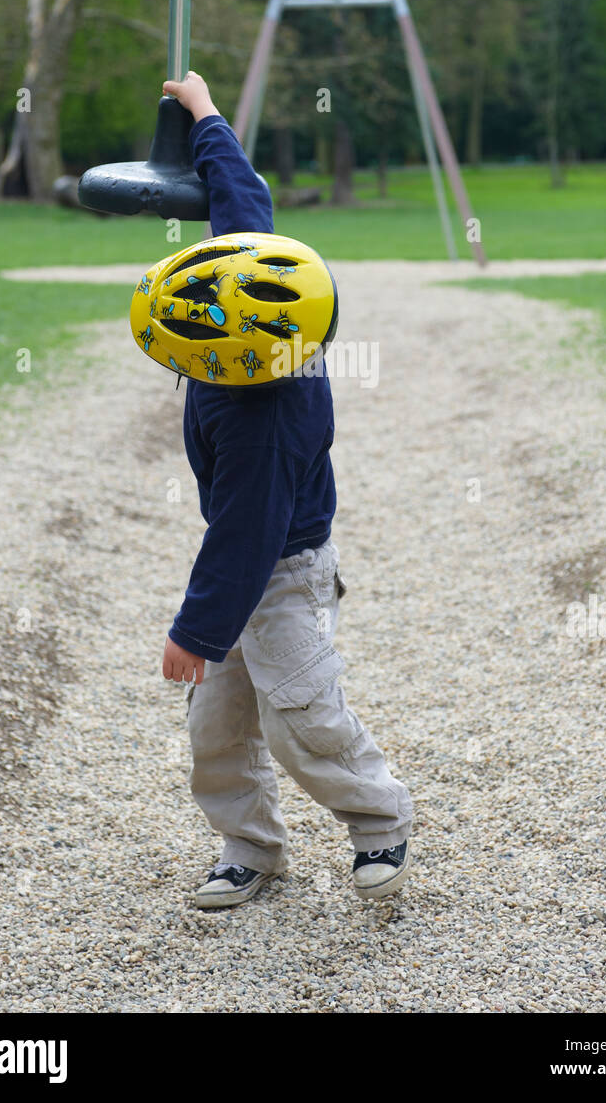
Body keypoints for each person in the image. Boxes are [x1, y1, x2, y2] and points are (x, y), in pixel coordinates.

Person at [143, 70, 413, 909]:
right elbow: (241, 200)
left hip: (284, 571)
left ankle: (379, 820)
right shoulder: (257, 290)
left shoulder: (262, 412)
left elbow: (246, 537)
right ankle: (249, 848)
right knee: (215, 728)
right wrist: (206, 115)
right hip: (246, 565)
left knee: (302, 719)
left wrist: (196, 629)